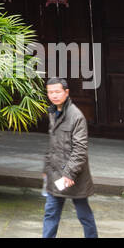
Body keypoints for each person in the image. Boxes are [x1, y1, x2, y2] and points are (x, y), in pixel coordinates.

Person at [41, 77, 97, 238]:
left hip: (73, 177)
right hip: (55, 175)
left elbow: (80, 150)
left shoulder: (76, 116)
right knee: (50, 214)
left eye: (57, 92)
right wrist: (46, 168)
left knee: (84, 215)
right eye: (50, 92)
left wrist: (69, 174)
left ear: (66, 93)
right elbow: (52, 145)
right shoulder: (53, 112)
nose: (54, 95)